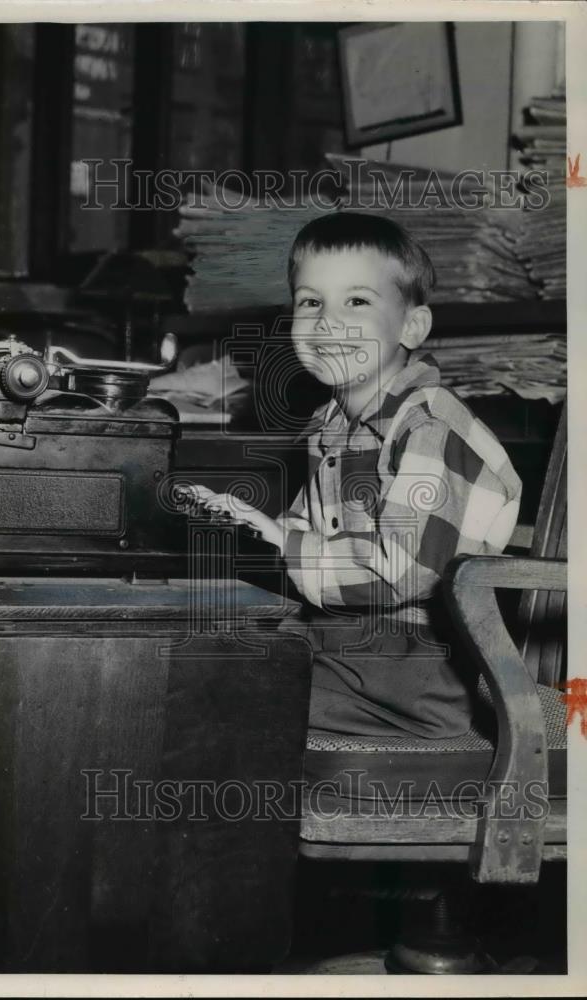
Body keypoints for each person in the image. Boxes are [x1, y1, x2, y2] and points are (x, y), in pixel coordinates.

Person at [189, 212, 522, 738]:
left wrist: (285, 541)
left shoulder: (428, 426)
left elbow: (404, 571)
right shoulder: (333, 424)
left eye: (357, 302)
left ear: (412, 326)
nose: (327, 321)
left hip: (417, 669)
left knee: (216, 694)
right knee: (190, 655)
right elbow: (309, 531)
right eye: (310, 302)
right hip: (348, 640)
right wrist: (258, 526)